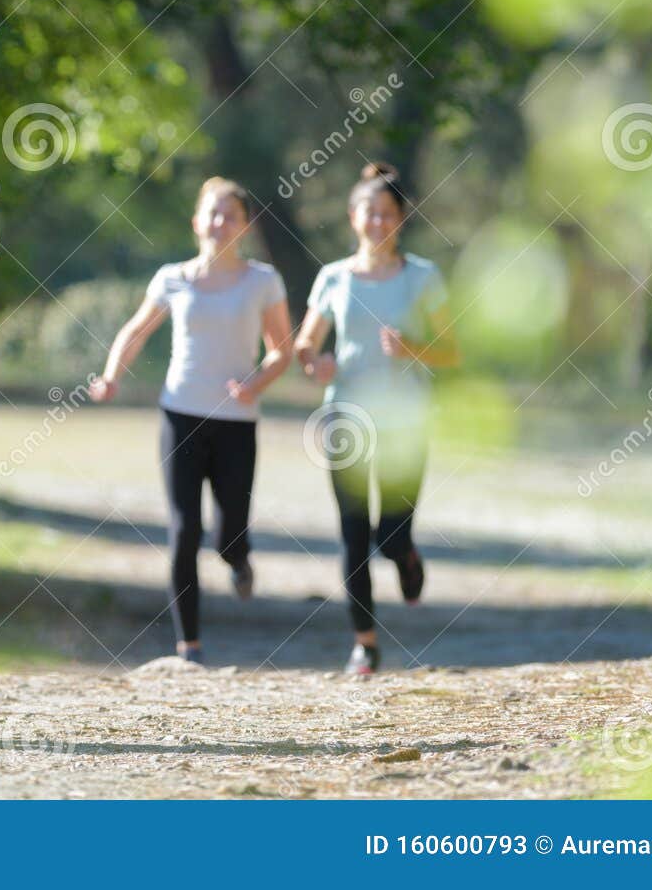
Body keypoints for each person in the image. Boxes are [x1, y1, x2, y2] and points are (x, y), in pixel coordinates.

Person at [90, 177, 292, 665]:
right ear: (197, 221)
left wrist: (254, 386)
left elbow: (281, 351)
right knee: (183, 530)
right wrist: (112, 376)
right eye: (212, 213)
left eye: (231, 215)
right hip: (180, 414)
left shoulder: (263, 280)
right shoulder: (171, 278)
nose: (220, 222)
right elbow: (135, 332)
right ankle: (190, 647)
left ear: (246, 226)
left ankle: (239, 560)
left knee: (229, 534)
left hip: (238, 421)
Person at [292, 161, 458, 676]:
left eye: (388, 214)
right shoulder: (334, 278)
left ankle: (406, 557)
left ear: (401, 219)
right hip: (346, 423)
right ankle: (364, 643)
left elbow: (452, 353)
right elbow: (306, 344)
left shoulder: (423, 277)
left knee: (391, 534)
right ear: (352, 216)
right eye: (370, 213)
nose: (378, 223)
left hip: (406, 423)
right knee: (353, 534)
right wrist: (314, 362)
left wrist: (413, 348)